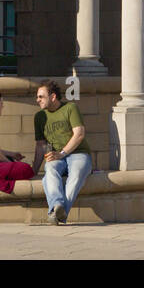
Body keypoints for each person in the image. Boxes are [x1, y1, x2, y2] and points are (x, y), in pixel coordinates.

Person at [32, 80, 92, 225]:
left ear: (53, 97)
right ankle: (58, 208)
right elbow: (41, 145)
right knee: (50, 169)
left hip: (79, 154)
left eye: (41, 97)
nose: (37, 100)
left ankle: (56, 212)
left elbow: (79, 133)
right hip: (57, 156)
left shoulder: (70, 108)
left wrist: (63, 153)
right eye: (37, 97)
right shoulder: (39, 117)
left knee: (76, 175)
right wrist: (33, 170)